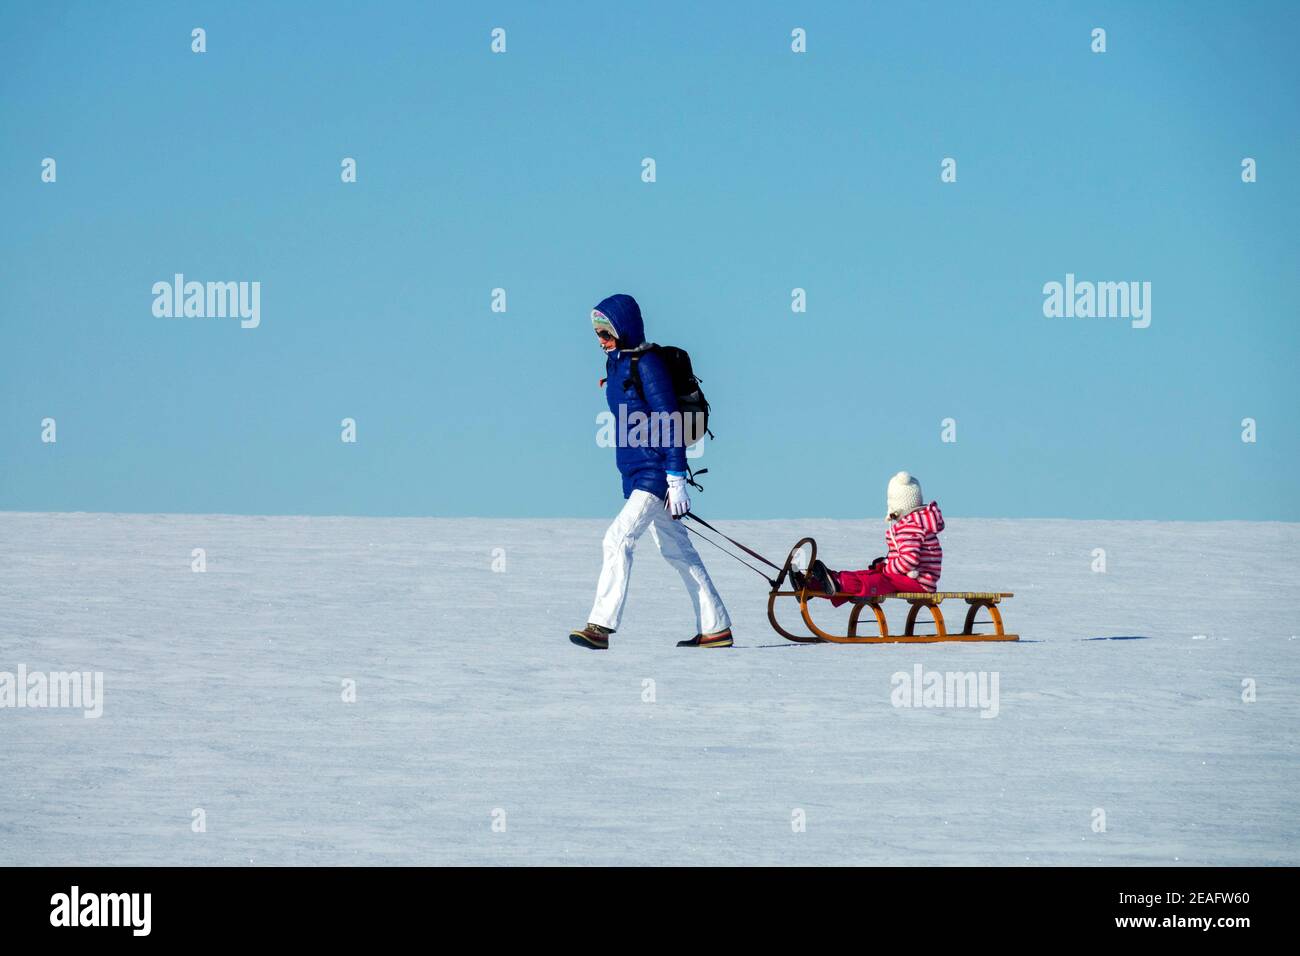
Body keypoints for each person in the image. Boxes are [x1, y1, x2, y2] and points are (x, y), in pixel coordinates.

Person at [569, 294, 734, 650]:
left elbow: (669, 420)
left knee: (617, 539)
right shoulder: (618, 365)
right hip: (636, 472)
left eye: (607, 331)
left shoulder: (648, 364)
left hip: (655, 472)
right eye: (597, 332)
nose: (601, 339)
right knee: (678, 552)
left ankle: (600, 627)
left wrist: (676, 478)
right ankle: (716, 626)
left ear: (624, 328)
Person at [797, 472, 944, 605]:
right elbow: (906, 558)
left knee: (875, 580)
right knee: (868, 576)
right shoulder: (917, 523)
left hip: (918, 583)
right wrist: (885, 563)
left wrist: (887, 568)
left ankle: (836, 583)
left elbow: (909, 560)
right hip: (915, 580)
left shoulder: (910, 526)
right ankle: (818, 585)